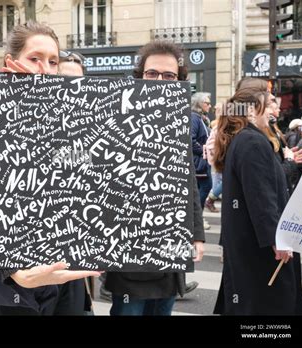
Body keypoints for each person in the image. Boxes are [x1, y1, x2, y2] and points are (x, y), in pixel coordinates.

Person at [0, 21, 100, 316]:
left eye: (53, 61)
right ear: (12, 63)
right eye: (35, 59)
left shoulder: (68, 120)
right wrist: (12, 270)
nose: (45, 68)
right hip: (14, 285)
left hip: (65, 275)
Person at [104, 41, 205, 316]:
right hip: (130, 255)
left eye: (169, 76)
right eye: (152, 74)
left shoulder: (178, 124)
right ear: (140, 76)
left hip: (169, 257)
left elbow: (189, 184)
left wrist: (196, 234)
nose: (160, 81)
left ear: (179, 82)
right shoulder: (117, 119)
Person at [213, 84, 302, 315]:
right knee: (268, 305)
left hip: (251, 244)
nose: (275, 108)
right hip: (261, 250)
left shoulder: (245, 139)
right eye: (270, 102)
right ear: (252, 110)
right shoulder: (253, 142)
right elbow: (261, 197)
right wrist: (278, 240)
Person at [191, 92, 212, 229]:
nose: (210, 106)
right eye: (207, 103)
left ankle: (197, 217)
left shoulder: (202, 118)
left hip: (203, 160)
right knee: (205, 186)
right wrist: (204, 151)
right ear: (199, 104)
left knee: (201, 188)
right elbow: (190, 140)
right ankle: (196, 218)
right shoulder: (194, 117)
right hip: (199, 160)